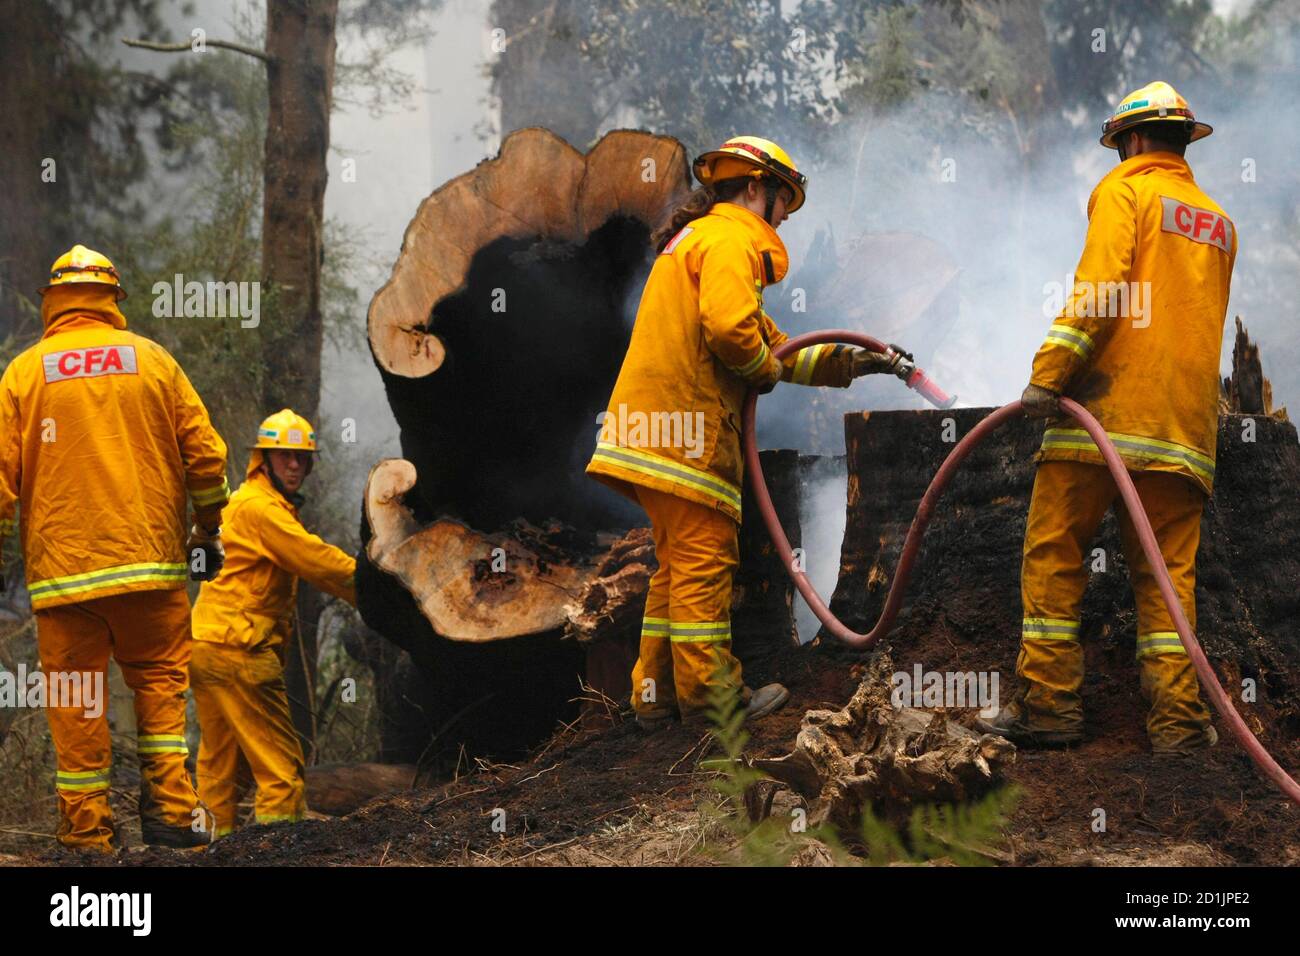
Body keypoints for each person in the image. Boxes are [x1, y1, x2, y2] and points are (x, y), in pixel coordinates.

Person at [587, 136, 901, 730]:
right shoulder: (732, 239)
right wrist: (764, 372)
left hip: (649, 432)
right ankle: (713, 702)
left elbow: (776, 344)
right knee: (704, 563)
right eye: (784, 201)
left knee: (676, 569)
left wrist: (851, 363)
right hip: (684, 435)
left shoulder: (703, 238)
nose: (785, 217)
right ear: (755, 187)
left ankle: (653, 696)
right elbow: (736, 335)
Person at [978, 82, 1236, 756]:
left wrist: (1049, 374)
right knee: (1168, 584)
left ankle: (1050, 708)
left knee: (1054, 555)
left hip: (1105, 417)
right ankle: (1179, 727)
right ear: (1184, 141)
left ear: (1130, 141)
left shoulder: (1124, 190)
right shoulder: (1217, 220)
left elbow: (1099, 289)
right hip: (1184, 434)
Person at [0, 244, 230, 850]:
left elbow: (0, 485)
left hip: (64, 581)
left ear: (53, 301)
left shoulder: (24, 373)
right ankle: (175, 819)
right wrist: (207, 528)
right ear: (112, 301)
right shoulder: (153, 363)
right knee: (158, 689)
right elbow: (206, 457)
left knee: (77, 706)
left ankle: (87, 841)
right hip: (151, 574)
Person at [189, 409, 356, 837]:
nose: (295, 465)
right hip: (238, 649)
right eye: (285, 455)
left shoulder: (246, 502)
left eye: (302, 458)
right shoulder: (261, 509)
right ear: (264, 458)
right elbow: (314, 559)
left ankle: (207, 855)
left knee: (219, 768)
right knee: (281, 769)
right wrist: (373, 585)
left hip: (208, 645)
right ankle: (281, 850)